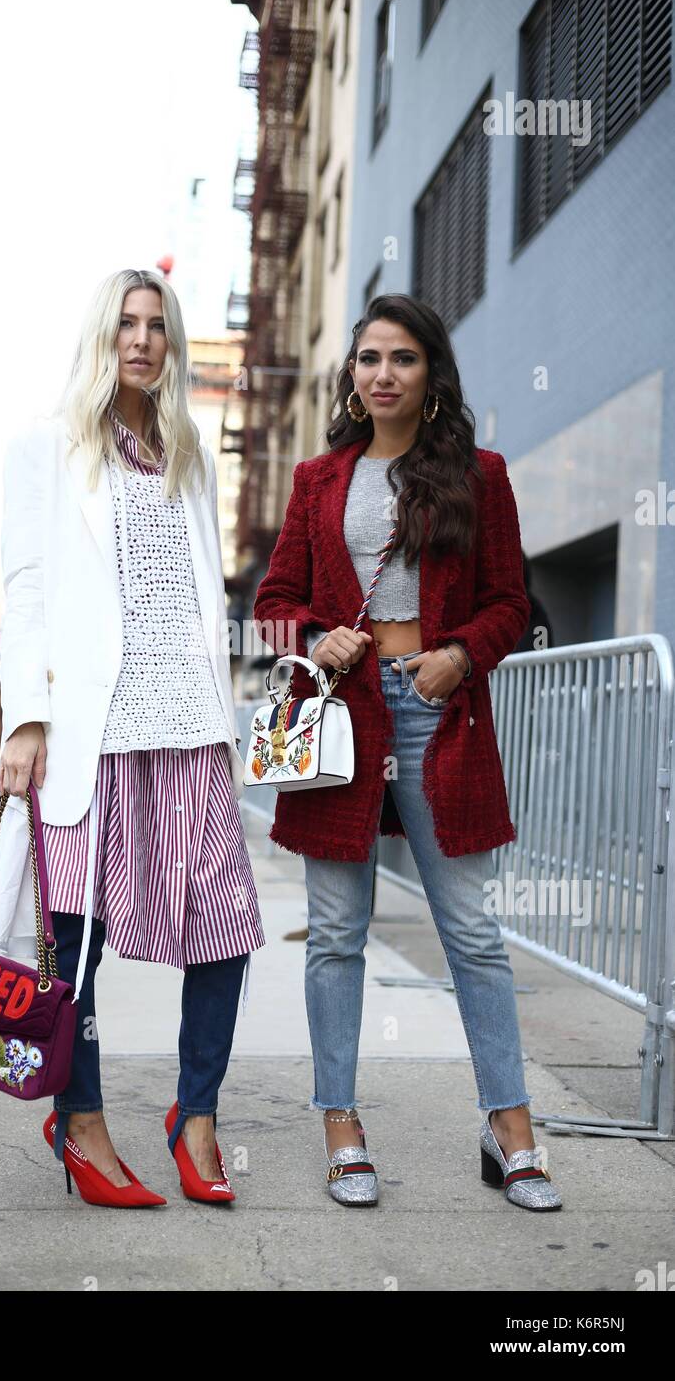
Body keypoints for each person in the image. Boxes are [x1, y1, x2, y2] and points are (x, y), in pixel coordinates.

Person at [253, 293, 562, 1212]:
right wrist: (315, 635)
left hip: (438, 714)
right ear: (351, 375)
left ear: (431, 375)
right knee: (337, 936)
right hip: (344, 718)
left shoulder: (480, 474)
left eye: (402, 358)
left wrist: (461, 653)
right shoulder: (318, 480)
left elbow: (512, 602)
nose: (381, 373)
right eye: (368, 358)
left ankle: (508, 1126)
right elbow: (273, 601)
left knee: (470, 933)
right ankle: (341, 1123)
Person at [0, 268, 265, 1208]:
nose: (141, 341)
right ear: (103, 338)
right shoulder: (45, 450)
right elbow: (24, 589)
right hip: (91, 731)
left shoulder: (190, 456)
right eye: (126, 325)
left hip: (189, 724)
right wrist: (25, 718)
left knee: (223, 922)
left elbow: (198, 595)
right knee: (73, 942)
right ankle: (84, 1119)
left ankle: (197, 1113)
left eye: (157, 327)